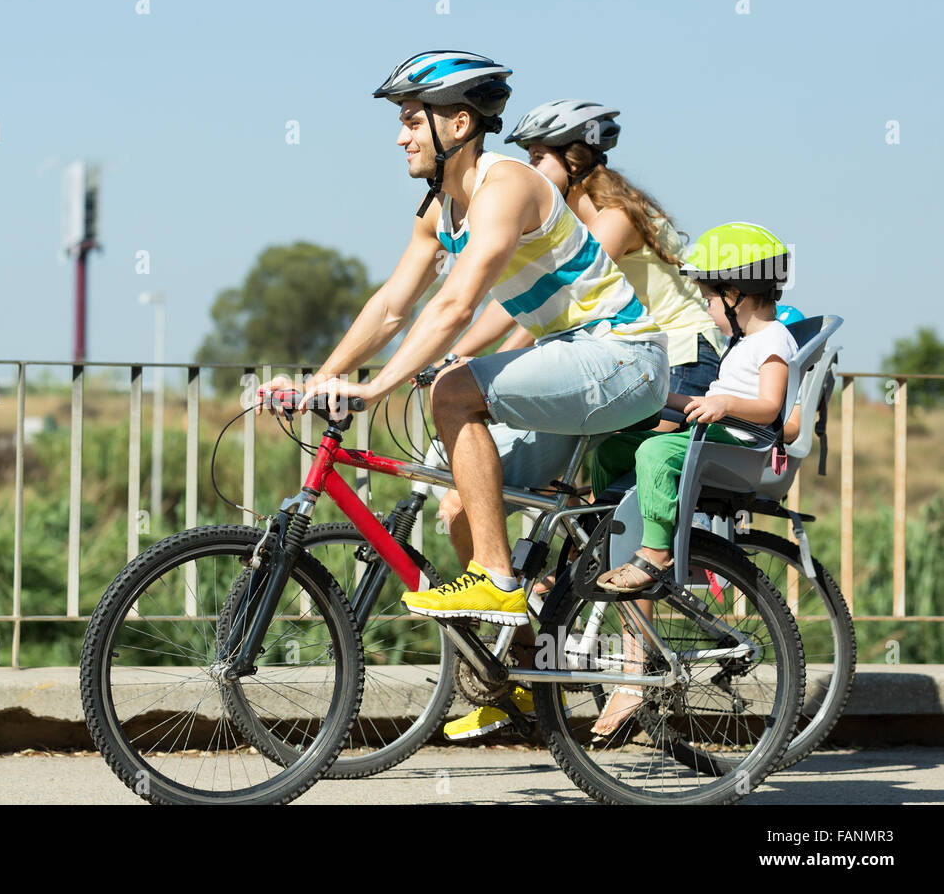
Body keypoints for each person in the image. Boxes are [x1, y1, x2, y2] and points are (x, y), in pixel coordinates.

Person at [259, 50, 668, 632]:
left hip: (623, 357)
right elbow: (391, 306)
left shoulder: (507, 187)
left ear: (458, 124)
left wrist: (375, 388)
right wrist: (324, 378)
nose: (400, 138)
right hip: (571, 362)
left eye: (409, 119)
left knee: (453, 392)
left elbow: (455, 305)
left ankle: (497, 581)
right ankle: (517, 670)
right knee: (459, 502)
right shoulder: (439, 208)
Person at [433, 100, 727, 740]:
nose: (524, 168)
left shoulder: (613, 221)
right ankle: (533, 642)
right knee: (476, 499)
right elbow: (530, 306)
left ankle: (632, 672)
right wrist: (464, 361)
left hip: (677, 363)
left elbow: (528, 314)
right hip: (603, 361)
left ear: (574, 159)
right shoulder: (556, 216)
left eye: (537, 156)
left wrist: (470, 363)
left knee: (623, 511)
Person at [586, 221, 801, 734]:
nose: (705, 308)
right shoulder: (745, 343)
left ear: (735, 294)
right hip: (721, 434)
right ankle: (607, 535)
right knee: (614, 448)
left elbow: (770, 406)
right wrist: (662, 398)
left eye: (708, 297)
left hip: (742, 446)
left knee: (659, 451)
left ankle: (654, 552)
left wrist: (725, 402)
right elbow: (705, 403)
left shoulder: (772, 339)